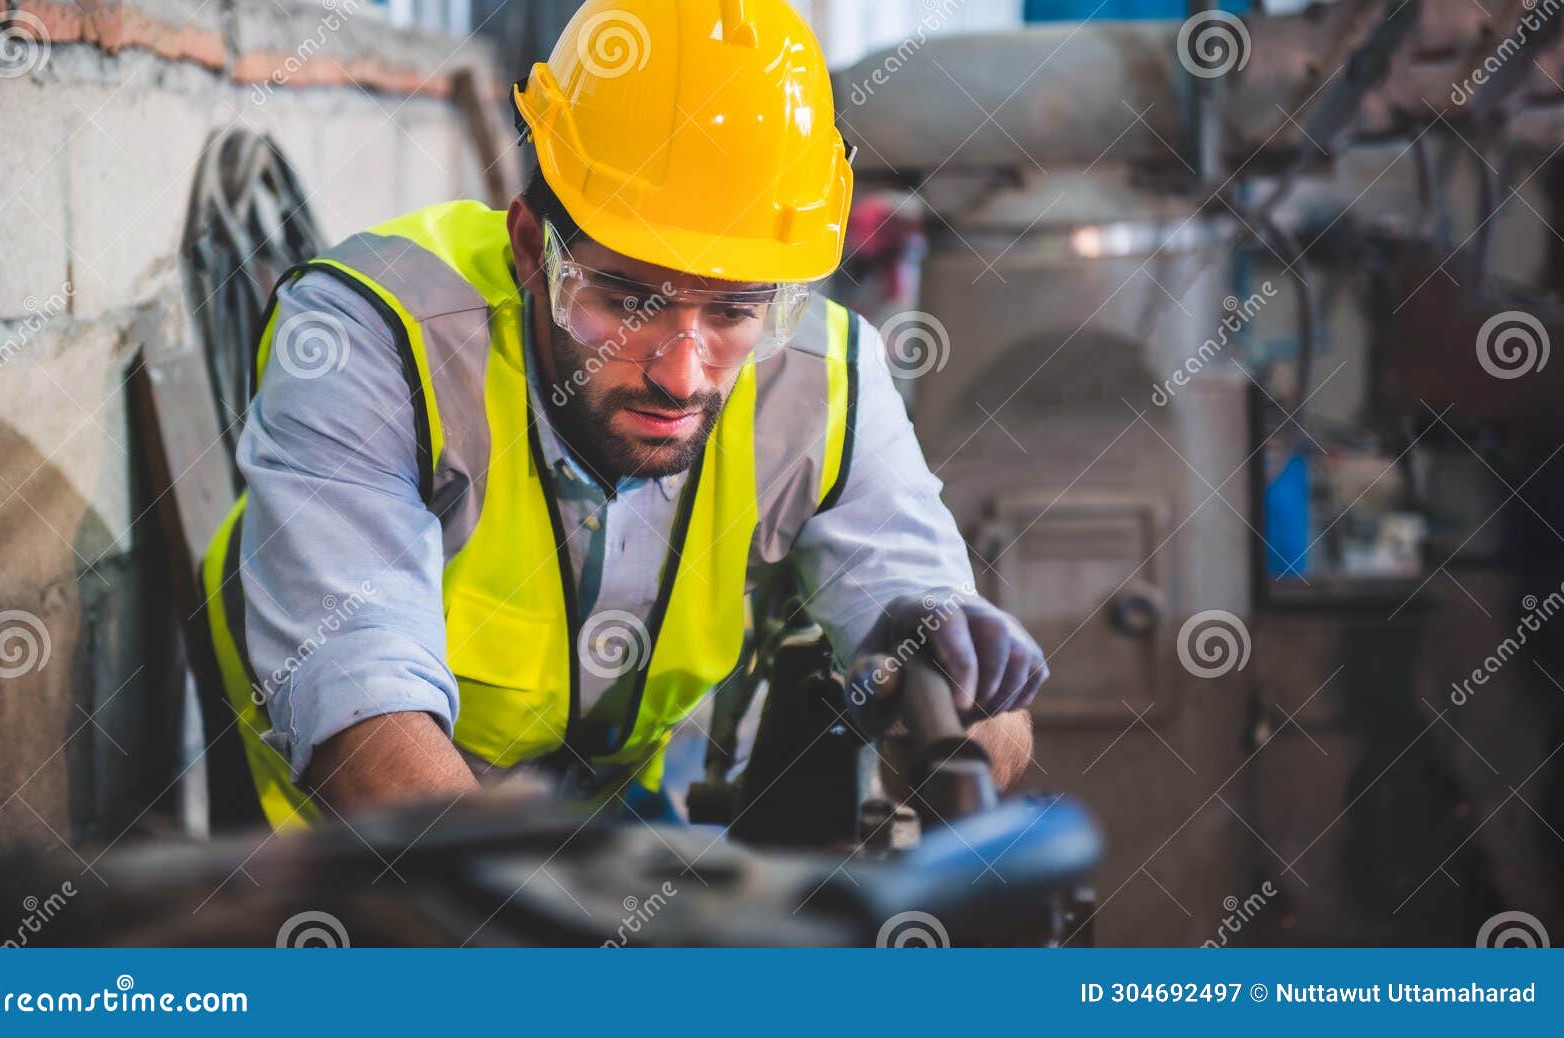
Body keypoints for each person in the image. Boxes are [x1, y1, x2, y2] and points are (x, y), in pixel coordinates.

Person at [200, 0, 1046, 827]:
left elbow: (993, 735)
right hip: (341, 862)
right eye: (628, 300)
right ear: (531, 249)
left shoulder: (826, 381)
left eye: (734, 310)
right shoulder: (373, 336)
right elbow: (361, 714)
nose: (681, 377)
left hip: (598, 836)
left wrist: (948, 688)